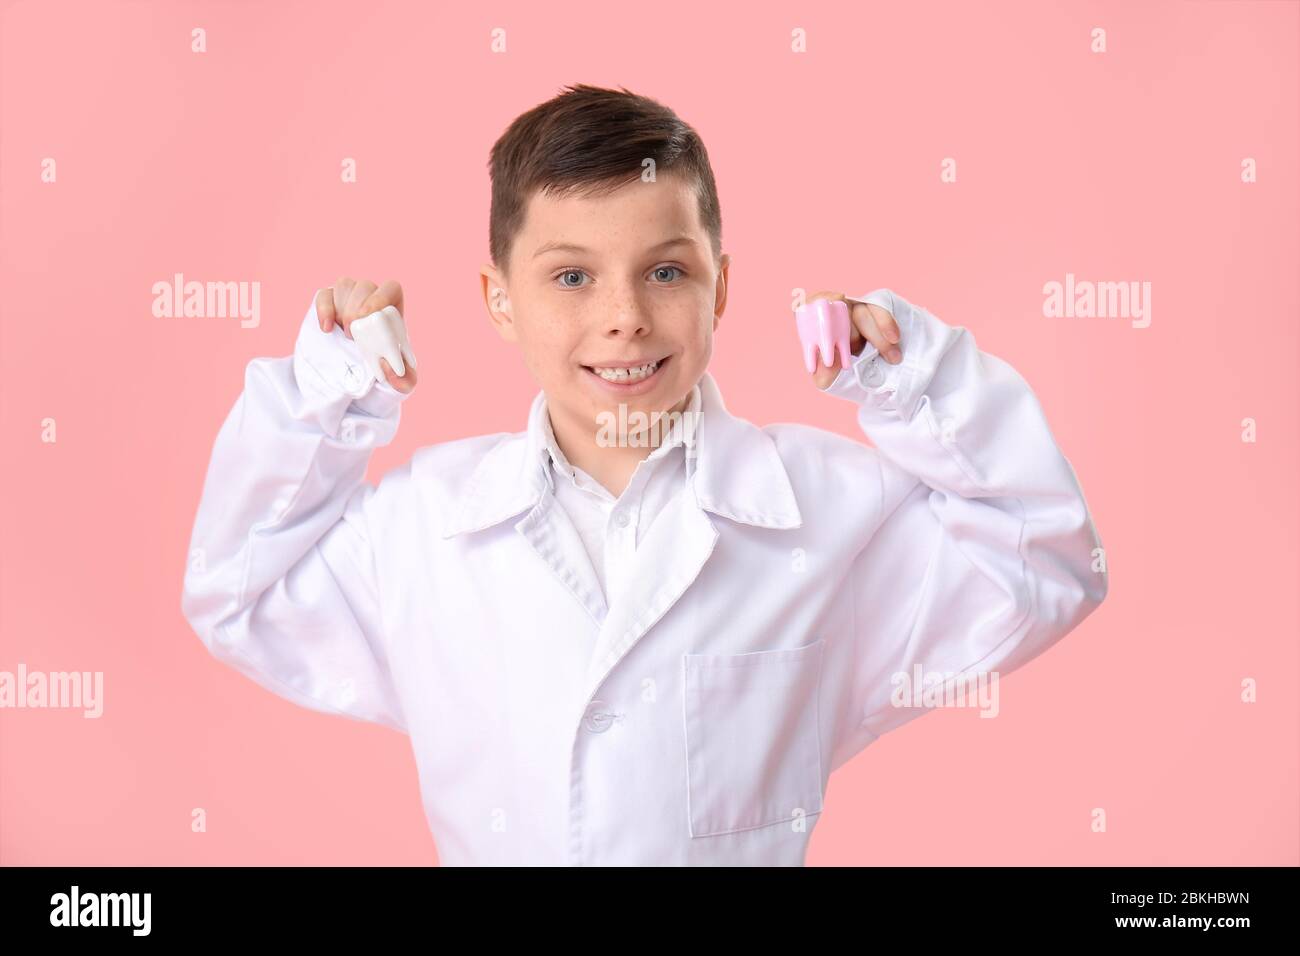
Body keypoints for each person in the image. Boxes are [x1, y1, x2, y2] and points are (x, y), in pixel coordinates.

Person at [181, 83, 1108, 866]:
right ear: (498, 300)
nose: (624, 317)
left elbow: (1046, 564)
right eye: (571, 278)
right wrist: (328, 388)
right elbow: (238, 592)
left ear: (723, 288)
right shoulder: (425, 527)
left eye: (666, 272)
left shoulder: (827, 511)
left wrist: (915, 384)